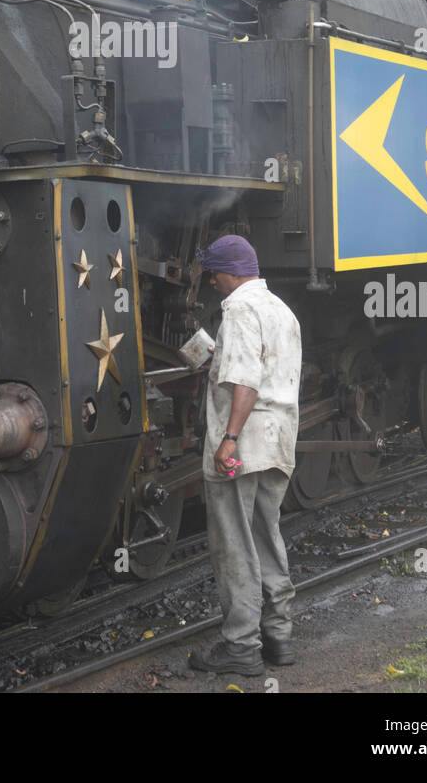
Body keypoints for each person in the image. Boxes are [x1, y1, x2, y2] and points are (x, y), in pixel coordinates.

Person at [188, 233, 301, 677]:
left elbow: (247, 383)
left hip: (245, 443)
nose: (212, 282)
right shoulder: (282, 310)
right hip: (277, 440)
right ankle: (279, 636)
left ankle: (240, 646)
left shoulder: (238, 310)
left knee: (234, 544)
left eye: (214, 274)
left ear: (229, 274)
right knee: (266, 536)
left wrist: (229, 439)